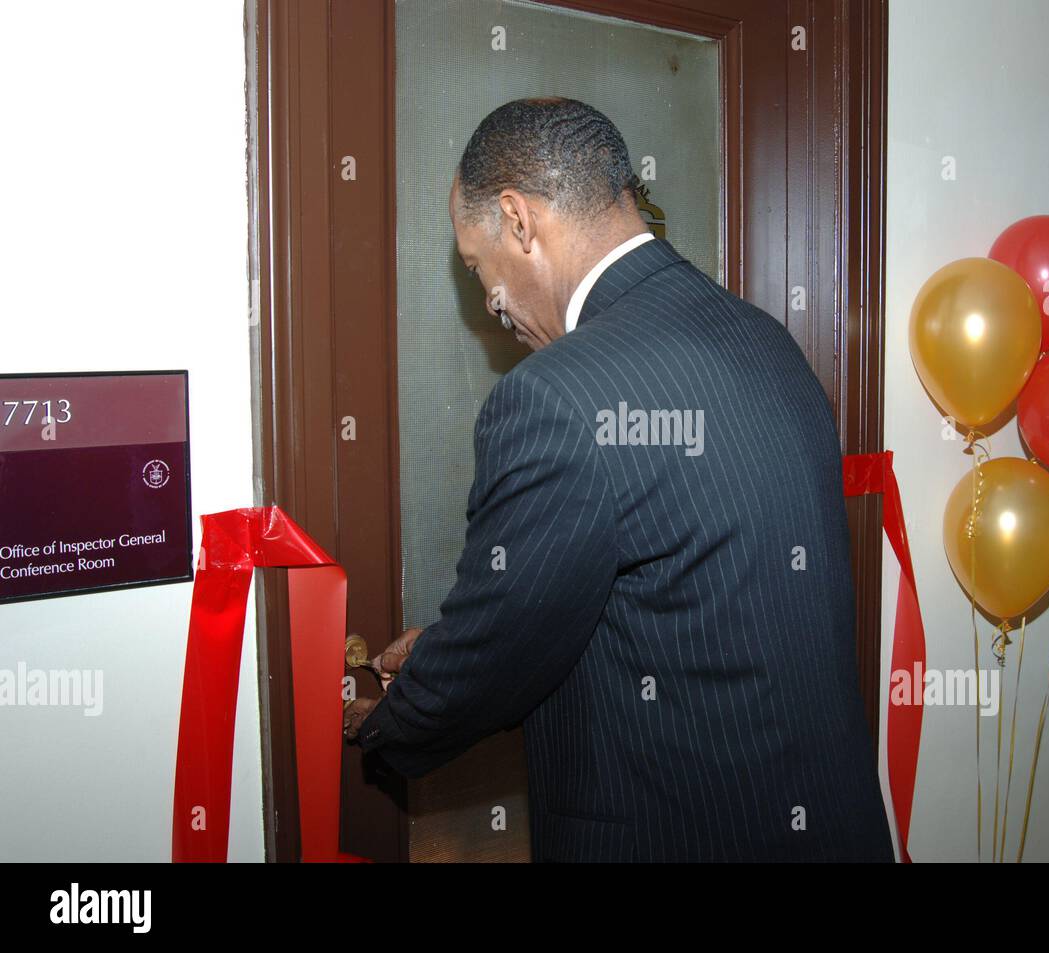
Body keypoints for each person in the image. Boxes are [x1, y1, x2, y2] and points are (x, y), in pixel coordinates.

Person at [344, 97, 893, 862]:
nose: (489, 304)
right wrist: (445, 643)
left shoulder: (555, 393)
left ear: (518, 221)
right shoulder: (767, 339)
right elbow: (680, 578)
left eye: (478, 269)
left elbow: (500, 651)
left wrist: (374, 719)